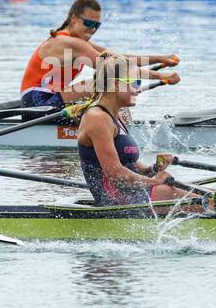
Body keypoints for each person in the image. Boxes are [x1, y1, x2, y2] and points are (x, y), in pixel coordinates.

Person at [19, 0, 179, 110]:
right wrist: (160, 76)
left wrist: (160, 58)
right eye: (88, 23)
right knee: (106, 82)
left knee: (112, 87)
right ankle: (110, 128)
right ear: (73, 18)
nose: (92, 29)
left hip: (52, 99)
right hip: (37, 102)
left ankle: (114, 126)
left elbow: (118, 58)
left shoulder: (78, 42)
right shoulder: (68, 42)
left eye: (97, 25)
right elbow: (115, 68)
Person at [75, 54, 193, 206]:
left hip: (134, 193)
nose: (138, 90)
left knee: (213, 195)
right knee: (213, 204)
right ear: (117, 85)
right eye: (136, 83)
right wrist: (154, 182)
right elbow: (116, 174)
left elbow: (133, 168)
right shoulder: (97, 118)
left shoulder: (118, 117)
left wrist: (155, 167)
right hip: (117, 200)